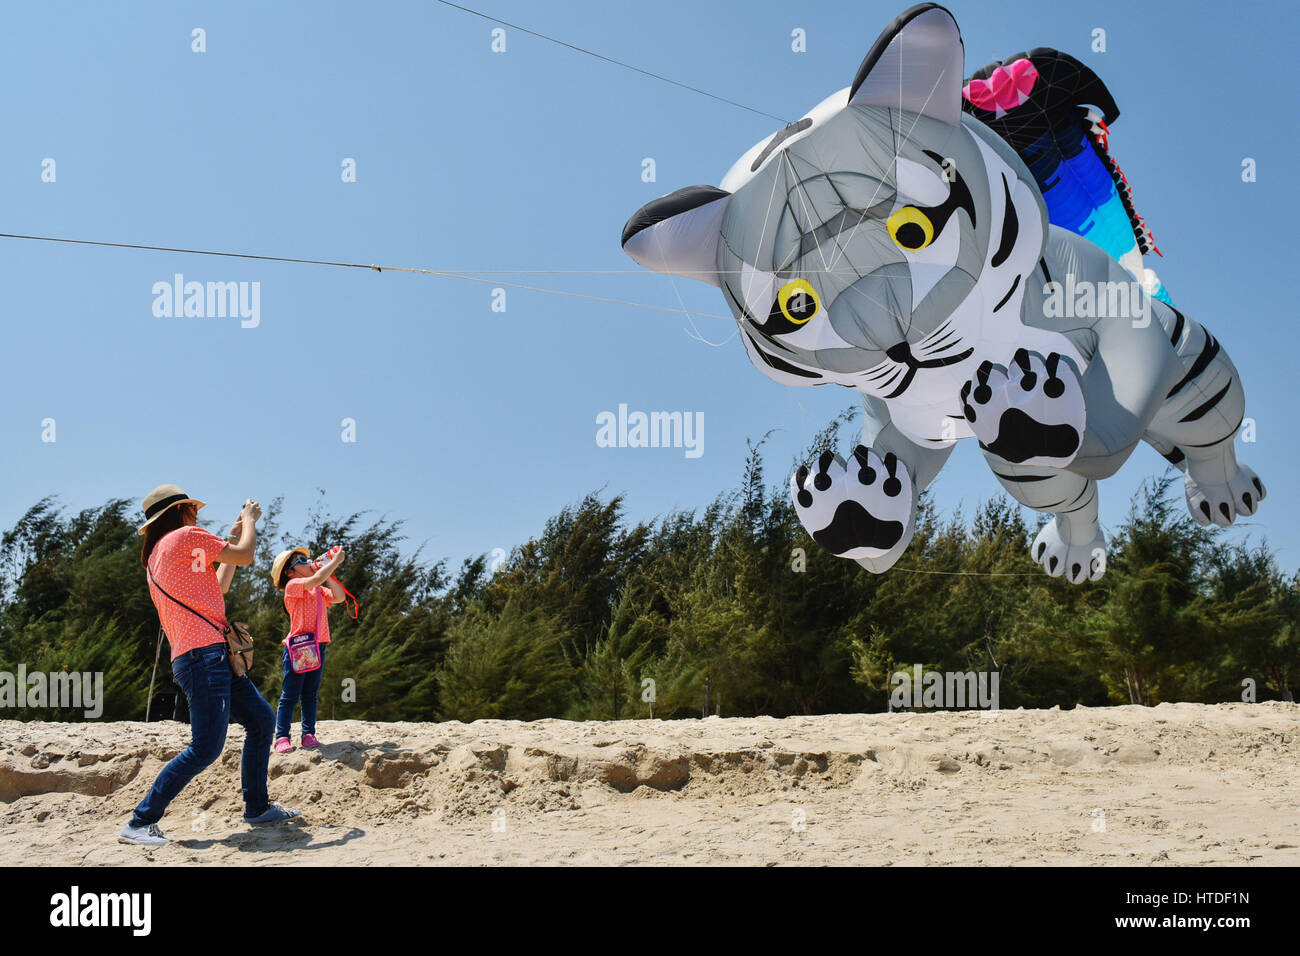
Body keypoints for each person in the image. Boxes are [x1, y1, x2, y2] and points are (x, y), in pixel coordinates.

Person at [119, 484, 301, 846]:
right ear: (180, 512)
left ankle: (258, 808)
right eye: (192, 508)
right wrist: (249, 522)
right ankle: (140, 822)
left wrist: (232, 535)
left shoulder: (158, 553)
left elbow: (218, 590)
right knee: (206, 747)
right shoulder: (186, 535)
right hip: (206, 657)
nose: (197, 514)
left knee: (262, 721)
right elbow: (246, 555)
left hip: (200, 657)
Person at [269, 546, 346, 752]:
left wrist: (329, 571)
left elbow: (339, 597)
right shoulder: (293, 586)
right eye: (301, 561)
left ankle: (308, 734)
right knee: (290, 694)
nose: (307, 562)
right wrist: (333, 563)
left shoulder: (319, 589)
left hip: (318, 646)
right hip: (299, 646)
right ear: (289, 572)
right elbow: (315, 579)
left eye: (306, 559)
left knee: (310, 694)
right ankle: (282, 736)